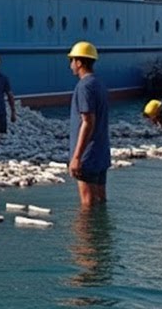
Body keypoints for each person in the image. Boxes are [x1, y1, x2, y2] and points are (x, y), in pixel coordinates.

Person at [67, 41, 109, 208]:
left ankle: (85, 235)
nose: (71, 65)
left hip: (87, 156)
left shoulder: (84, 86)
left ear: (79, 62)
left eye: (72, 61)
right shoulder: (99, 84)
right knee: (100, 201)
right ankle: (102, 235)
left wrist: (77, 157)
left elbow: (88, 121)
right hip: (100, 153)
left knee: (87, 205)